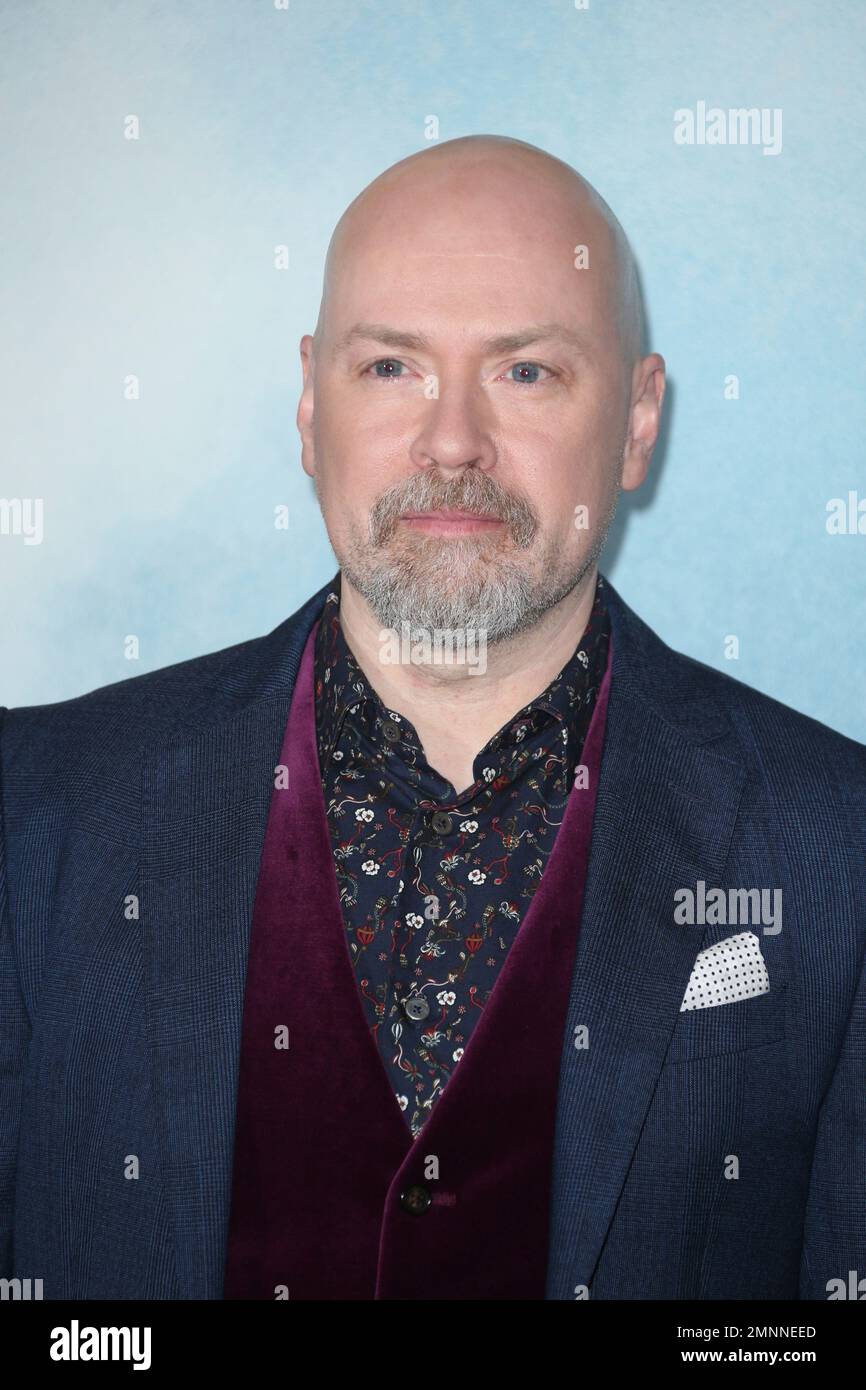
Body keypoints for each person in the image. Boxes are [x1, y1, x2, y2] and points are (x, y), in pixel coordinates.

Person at [1, 135, 863, 1301]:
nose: (450, 441)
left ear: (638, 420)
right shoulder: (37, 811)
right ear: (311, 403)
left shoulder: (836, 849)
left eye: (525, 372)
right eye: (391, 368)